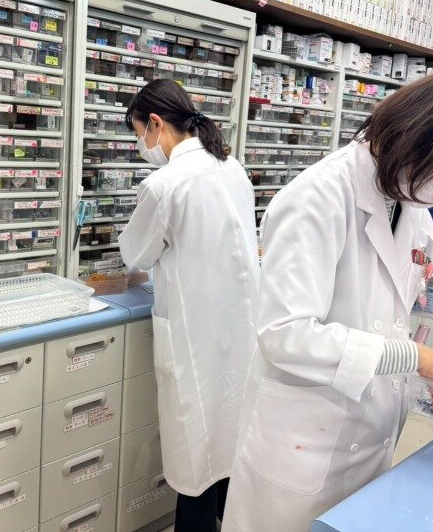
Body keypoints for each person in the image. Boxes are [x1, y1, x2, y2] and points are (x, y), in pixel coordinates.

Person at [221, 62, 433, 532]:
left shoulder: (406, 197)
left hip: (371, 436)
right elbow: (285, 334)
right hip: (302, 449)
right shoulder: (318, 196)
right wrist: (417, 357)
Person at [118, 79, 259, 532]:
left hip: (195, 339)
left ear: (155, 124)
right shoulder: (232, 167)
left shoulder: (165, 183)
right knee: (229, 451)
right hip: (239, 334)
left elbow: (136, 255)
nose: (142, 145)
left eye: (139, 134)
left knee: (197, 462)